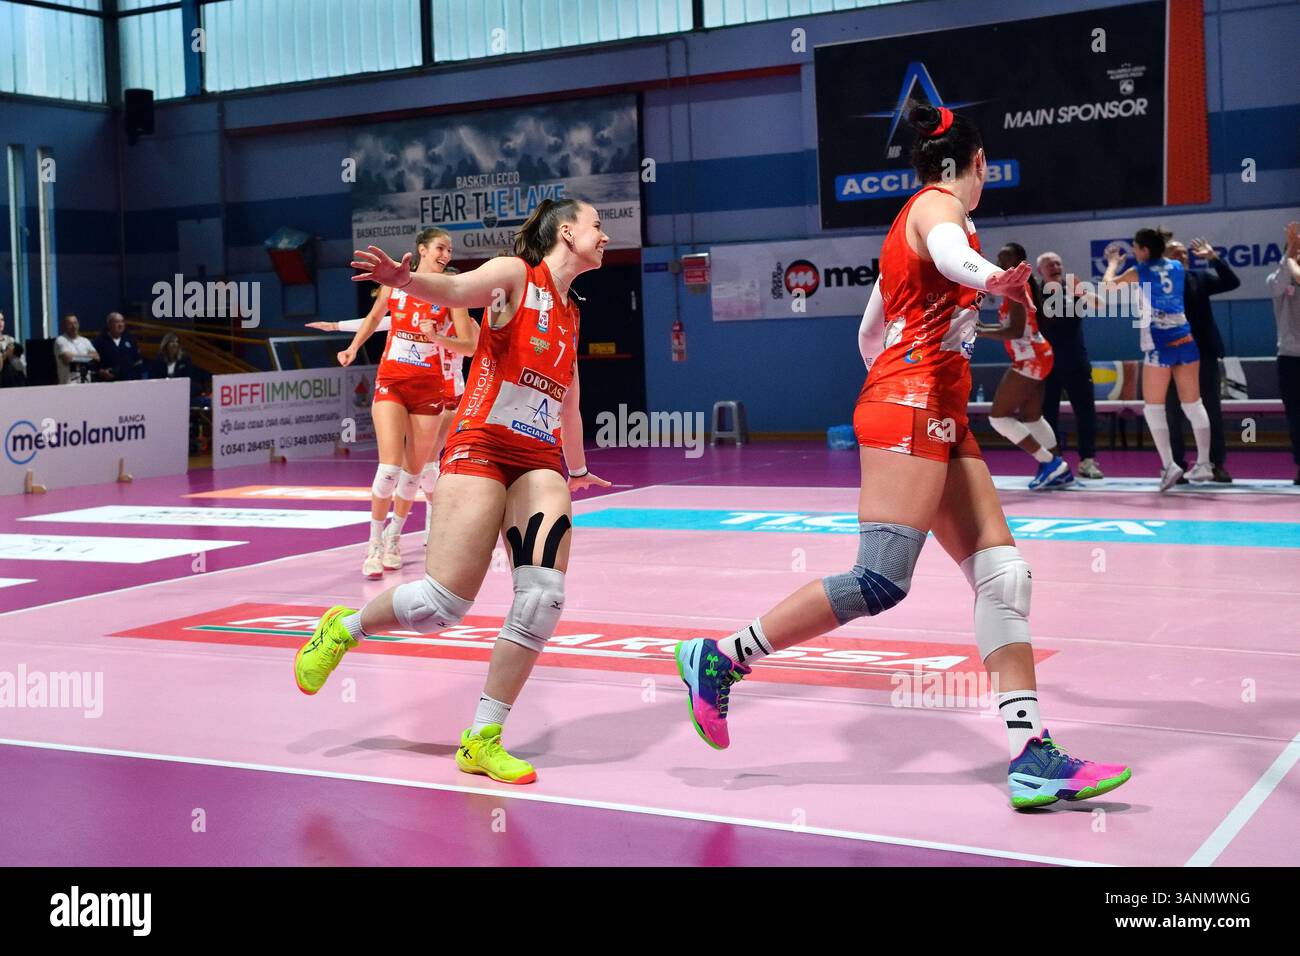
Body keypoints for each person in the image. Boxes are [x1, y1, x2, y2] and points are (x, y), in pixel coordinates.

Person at [673, 106, 1130, 810]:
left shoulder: (906, 224)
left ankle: (1031, 755)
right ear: (977, 163)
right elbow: (953, 257)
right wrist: (991, 278)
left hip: (927, 402)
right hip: (915, 403)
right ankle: (722, 658)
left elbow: (869, 331)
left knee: (1003, 576)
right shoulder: (940, 207)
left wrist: (908, 372)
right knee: (881, 580)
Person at [293, 198, 612, 786]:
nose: (605, 235)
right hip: (481, 445)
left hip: (538, 458)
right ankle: (345, 627)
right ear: (566, 232)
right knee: (443, 605)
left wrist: (579, 465)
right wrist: (403, 280)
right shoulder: (517, 276)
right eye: (597, 225)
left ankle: (483, 737)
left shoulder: (570, 312)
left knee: (542, 596)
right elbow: (460, 289)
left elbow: (569, 398)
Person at [335, 227, 474, 577]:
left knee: (415, 472)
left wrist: (437, 336)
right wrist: (353, 347)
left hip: (430, 389)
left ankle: (395, 538)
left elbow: (471, 346)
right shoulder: (395, 282)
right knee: (389, 468)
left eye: (450, 250)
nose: (447, 255)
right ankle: (374, 545)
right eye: (441, 248)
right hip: (392, 382)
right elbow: (373, 318)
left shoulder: (451, 293)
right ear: (423, 249)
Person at [311, 267, 479, 541]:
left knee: (427, 463)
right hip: (426, 385)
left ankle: (428, 528)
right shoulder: (422, 313)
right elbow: (379, 320)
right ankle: (410, 530)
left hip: (452, 393)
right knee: (421, 465)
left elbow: (479, 350)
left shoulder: (464, 320)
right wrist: (336, 327)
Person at [1102, 228, 1214, 490]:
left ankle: (1169, 466)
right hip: (1185, 338)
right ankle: (1205, 463)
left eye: (1136, 247)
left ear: (1144, 250)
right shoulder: (1176, 266)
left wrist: (1112, 264)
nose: (1134, 251)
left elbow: (1107, 287)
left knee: (1153, 407)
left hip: (1159, 342)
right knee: (1193, 404)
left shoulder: (1139, 271)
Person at [976, 242, 1073, 490]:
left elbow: (1015, 330)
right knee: (1032, 417)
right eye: (998, 257)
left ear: (1019, 261)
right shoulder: (1017, 285)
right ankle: (1058, 468)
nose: (999, 262)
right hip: (1038, 355)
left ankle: (1050, 462)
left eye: (1005, 257)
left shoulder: (1017, 287)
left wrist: (981, 332)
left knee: (998, 418)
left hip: (1030, 359)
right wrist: (981, 329)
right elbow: (1017, 329)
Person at [1163, 236, 1239, 483]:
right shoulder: (1156, 283)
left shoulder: (1200, 277)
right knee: (1173, 413)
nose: (1182, 256)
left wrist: (1213, 258)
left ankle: (1215, 464)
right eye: (1175, 253)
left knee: (1211, 410)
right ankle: (1176, 466)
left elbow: (1231, 282)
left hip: (1203, 353)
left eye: (1184, 253)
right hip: (1172, 356)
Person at [1036, 252, 1104, 479]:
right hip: (1047, 366)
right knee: (1047, 416)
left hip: (1076, 362)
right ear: (1040, 271)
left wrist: (1081, 292)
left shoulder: (1073, 288)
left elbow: (1100, 305)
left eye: (1058, 263)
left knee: (1086, 413)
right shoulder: (1035, 294)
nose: (1055, 266)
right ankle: (1054, 462)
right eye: (1049, 264)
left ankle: (1087, 461)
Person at [1268, 221, 1300, 485]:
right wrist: (1290, 250)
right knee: (1296, 415)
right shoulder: (1277, 280)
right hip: (1290, 358)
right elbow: (1280, 281)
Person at [146, 332, 205, 400]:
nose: (175, 344)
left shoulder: (185, 359)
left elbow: (189, 376)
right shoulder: (158, 360)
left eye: (177, 342)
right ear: (166, 345)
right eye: (172, 342)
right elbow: (153, 378)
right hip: (164, 389)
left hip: (181, 388)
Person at [92, 312, 143, 382]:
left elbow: (138, 362)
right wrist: (101, 372)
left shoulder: (130, 340)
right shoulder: (100, 341)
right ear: (109, 324)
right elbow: (94, 364)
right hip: (108, 384)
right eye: (117, 322)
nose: (121, 325)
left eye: (122, 321)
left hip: (129, 383)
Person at [54, 314, 98, 385]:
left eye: (75, 323)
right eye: (70, 324)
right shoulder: (60, 340)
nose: (74, 326)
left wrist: (74, 357)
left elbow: (97, 357)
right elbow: (67, 359)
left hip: (86, 385)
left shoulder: (85, 341)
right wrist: (88, 357)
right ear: (64, 326)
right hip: (68, 385)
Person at [0, 310, 27, 388]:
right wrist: (6, 354)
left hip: (13, 384)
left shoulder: (10, 340)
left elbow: (21, 366)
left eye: (2, 320)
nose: (0, 323)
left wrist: (15, 355)